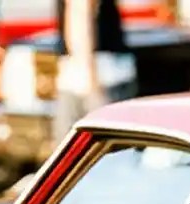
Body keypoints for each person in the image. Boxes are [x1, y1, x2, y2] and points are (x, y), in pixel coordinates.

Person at [54, 0, 136, 141]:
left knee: (72, 143)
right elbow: (81, 13)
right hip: (102, 72)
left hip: (87, 70)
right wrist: (90, 76)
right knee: (112, 140)